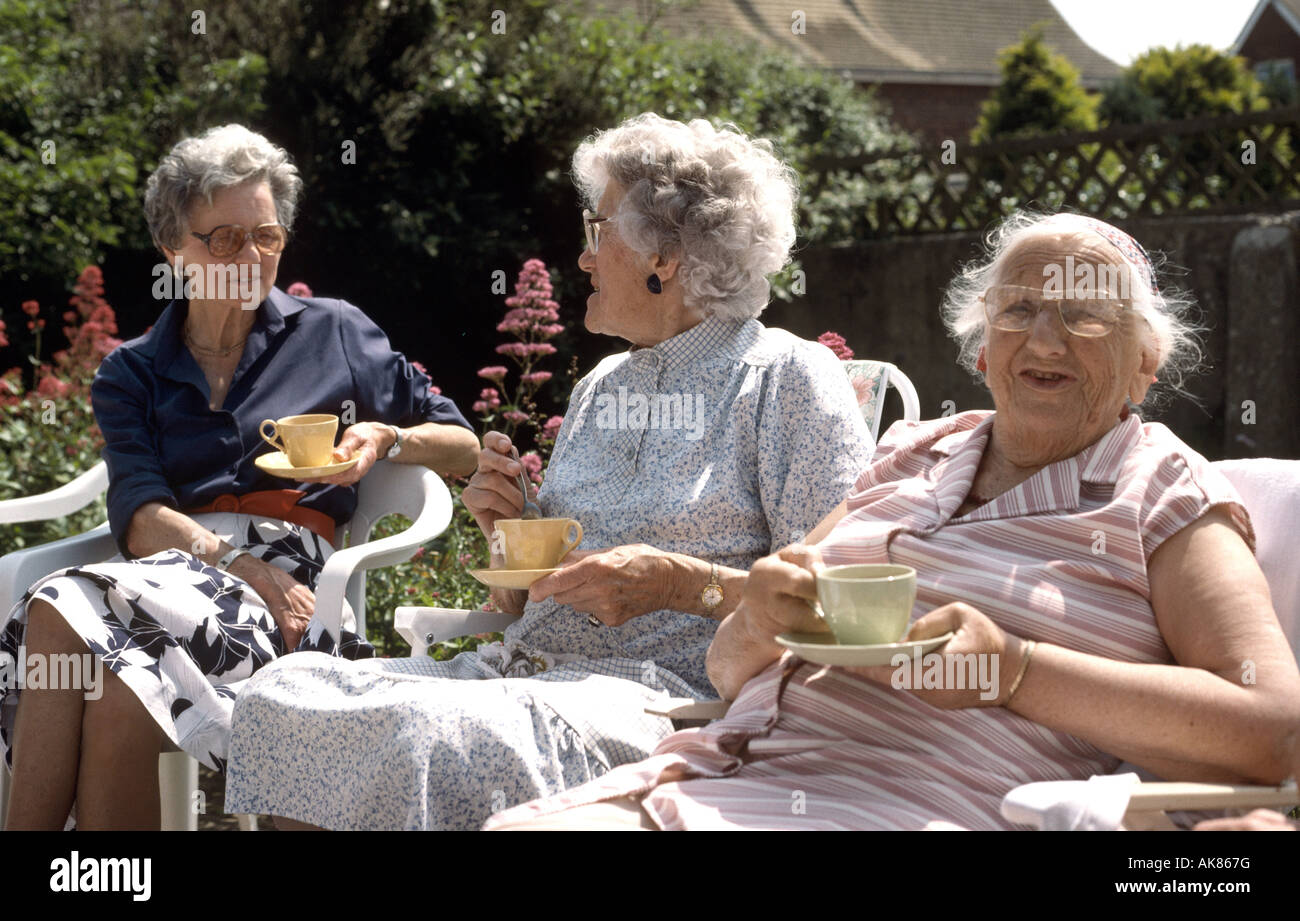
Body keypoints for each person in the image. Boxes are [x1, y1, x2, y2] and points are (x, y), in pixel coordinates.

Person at [484, 211, 1300, 830]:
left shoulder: (1159, 489)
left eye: (1086, 318)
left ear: (1145, 365)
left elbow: (1273, 729)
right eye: (1017, 312)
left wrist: (1016, 668)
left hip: (901, 812)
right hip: (704, 784)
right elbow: (734, 671)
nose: (1044, 337)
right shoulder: (911, 451)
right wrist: (760, 615)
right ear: (982, 349)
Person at [223, 113, 875, 829]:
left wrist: (683, 584)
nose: (584, 258)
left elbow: (841, 608)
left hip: (662, 699)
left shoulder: (788, 379)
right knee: (283, 696)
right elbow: (523, 607)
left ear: (667, 258)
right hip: (520, 672)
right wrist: (505, 530)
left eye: (597, 232)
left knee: (427, 736)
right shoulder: (602, 386)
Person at [0, 124, 480, 830]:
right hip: (177, 572)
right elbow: (137, 515)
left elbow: (464, 446)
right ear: (175, 248)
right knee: (114, 683)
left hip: (301, 595)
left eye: (267, 236)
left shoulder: (335, 331)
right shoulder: (131, 370)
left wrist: (390, 434)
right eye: (223, 238)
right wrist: (239, 564)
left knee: (59, 607)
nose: (250, 256)